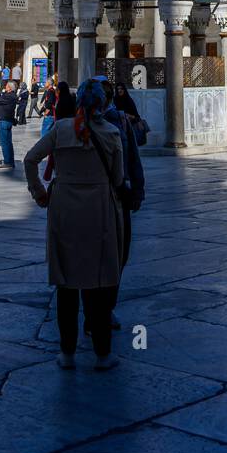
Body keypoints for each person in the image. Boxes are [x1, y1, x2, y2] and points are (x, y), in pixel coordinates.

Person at [24, 78, 124, 370]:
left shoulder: (62, 128)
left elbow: (31, 160)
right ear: (103, 104)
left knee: (66, 286)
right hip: (98, 211)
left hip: (63, 211)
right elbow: (117, 179)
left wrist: (39, 194)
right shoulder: (111, 133)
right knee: (98, 286)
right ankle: (103, 355)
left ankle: (67, 353)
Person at [101, 79, 145, 330]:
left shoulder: (120, 121)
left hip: (117, 197)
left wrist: (137, 190)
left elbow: (133, 160)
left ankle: (105, 306)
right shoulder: (75, 125)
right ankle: (100, 310)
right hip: (102, 199)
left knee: (119, 252)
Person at [0, 81, 18, 170]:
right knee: (8, 142)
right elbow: (0, 98)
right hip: (8, 121)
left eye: (7, 86)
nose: (5, 87)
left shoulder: (9, 96)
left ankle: (8, 162)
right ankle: (10, 161)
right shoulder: (11, 96)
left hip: (4, 121)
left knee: (4, 143)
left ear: (10, 88)